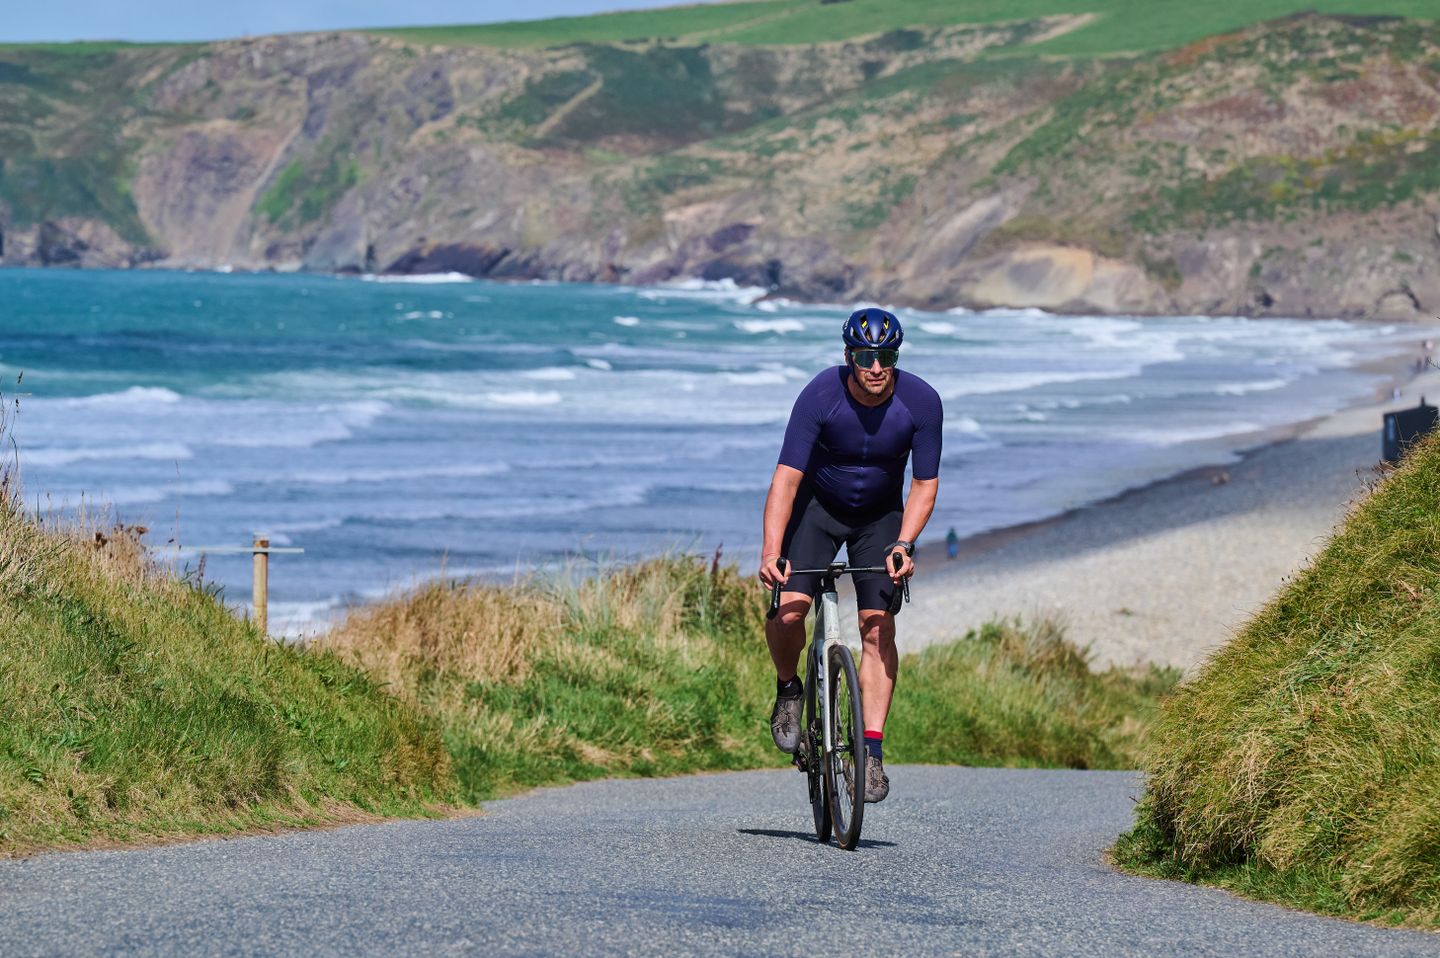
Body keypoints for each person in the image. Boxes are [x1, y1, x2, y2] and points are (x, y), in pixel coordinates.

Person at [756, 306, 943, 803]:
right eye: (866, 356)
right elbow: (786, 479)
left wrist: (904, 542)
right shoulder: (820, 394)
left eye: (886, 356)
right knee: (790, 611)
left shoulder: (922, 403)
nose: (876, 367)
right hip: (816, 511)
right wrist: (772, 550)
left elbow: (925, 484)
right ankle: (789, 690)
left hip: (879, 519)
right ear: (849, 356)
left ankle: (872, 753)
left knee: (878, 626)